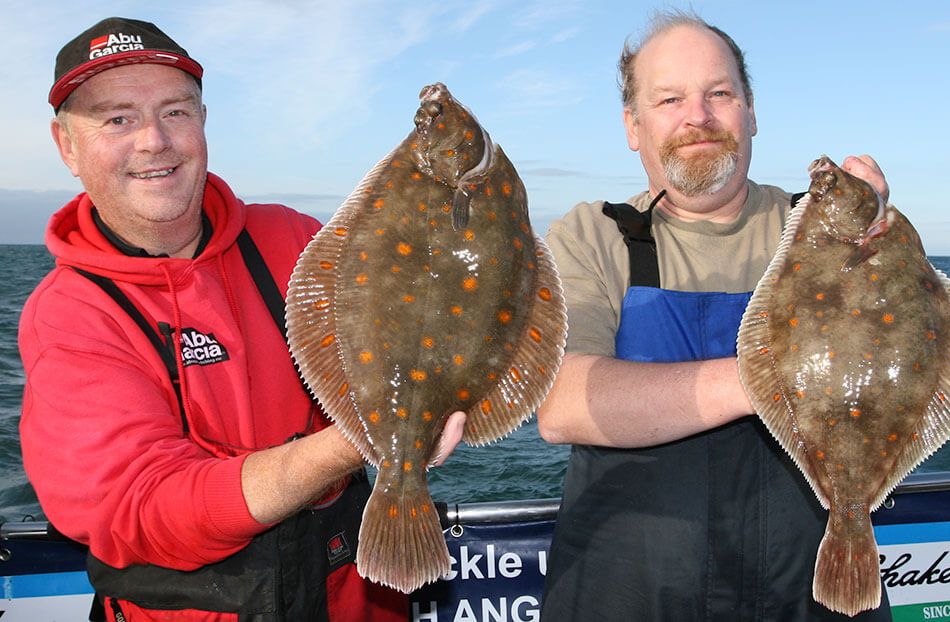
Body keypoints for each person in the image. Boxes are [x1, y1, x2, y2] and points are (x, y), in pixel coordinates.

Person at [18, 17, 464, 621]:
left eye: (176, 111)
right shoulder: (68, 316)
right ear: (66, 146)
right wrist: (362, 439)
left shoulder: (298, 242)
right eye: (117, 118)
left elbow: (425, 315)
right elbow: (143, 508)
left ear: (203, 121)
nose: (154, 140)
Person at [536, 10, 893, 621]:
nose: (697, 116)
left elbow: (894, 369)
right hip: (629, 596)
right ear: (633, 126)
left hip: (811, 586)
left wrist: (874, 239)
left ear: (751, 111)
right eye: (670, 98)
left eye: (719, 94)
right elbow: (565, 405)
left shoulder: (820, 227)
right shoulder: (593, 236)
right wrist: (768, 376)